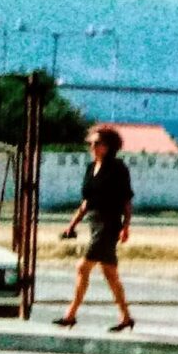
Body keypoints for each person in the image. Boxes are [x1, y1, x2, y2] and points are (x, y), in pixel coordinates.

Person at [54, 127, 137, 331]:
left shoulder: (118, 169)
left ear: (109, 146)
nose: (93, 146)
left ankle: (70, 314)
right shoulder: (91, 168)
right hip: (94, 222)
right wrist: (71, 225)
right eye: (90, 143)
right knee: (110, 273)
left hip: (109, 224)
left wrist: (126, 226)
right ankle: (126, 318)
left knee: (82, 267)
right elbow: (86, 202)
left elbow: (126, 200)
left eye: (97, 143)